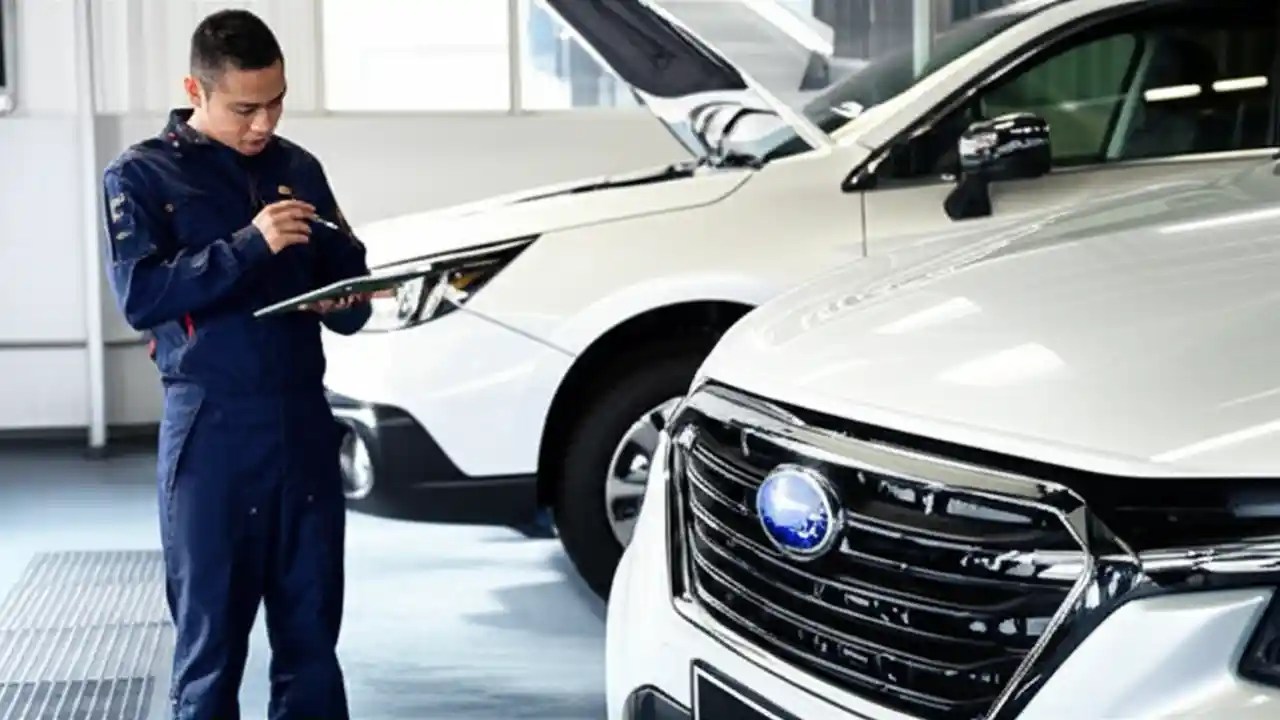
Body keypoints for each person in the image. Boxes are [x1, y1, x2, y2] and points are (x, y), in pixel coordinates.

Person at [100, 9, 369, 719]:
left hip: (303, 428)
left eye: (276, 102)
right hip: (211, 435)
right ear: (197, 88)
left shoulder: (297, 167)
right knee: (211, 652)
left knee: (312, 642)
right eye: (245, 107)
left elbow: (355, 293)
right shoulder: (140, 174)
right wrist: (251, 245)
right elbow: (143, 295)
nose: (263, 123)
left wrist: (343, 295)